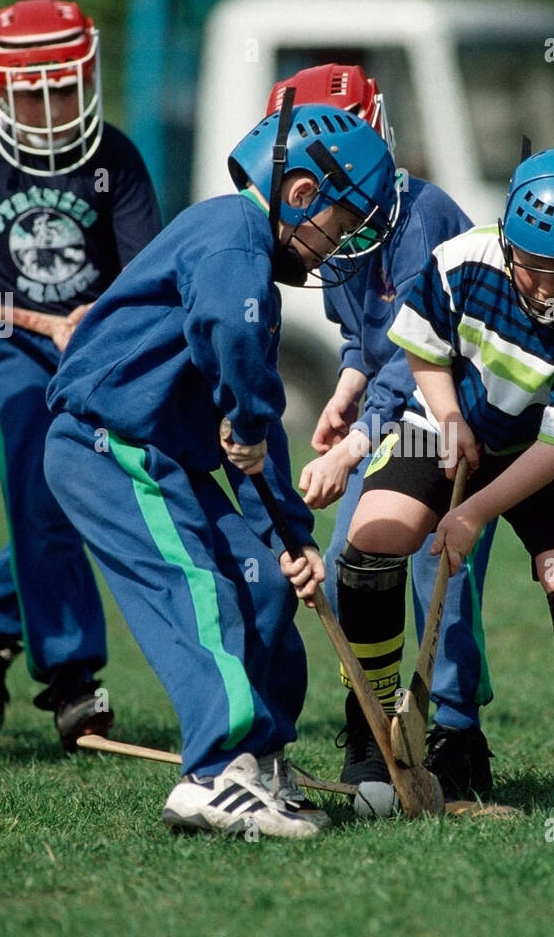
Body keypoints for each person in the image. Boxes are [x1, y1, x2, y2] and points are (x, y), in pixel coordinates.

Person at [43, 99, 400, 838]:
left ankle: (258, 763)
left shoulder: (250, 273)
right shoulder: (233, 245)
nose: (336, 249)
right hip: (108, 449)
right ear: (300, 193)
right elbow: (234, 356)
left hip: (160, 460)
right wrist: (243, 414)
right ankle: (211, 775)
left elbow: (252, 437)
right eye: (338, 228)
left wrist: (291, 538)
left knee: (263, 584)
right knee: (204, 588)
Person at [287, 147, 554, 810]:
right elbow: (423, 347)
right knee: (375, 536)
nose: (545, 290)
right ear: (509, 243)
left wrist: (474, 511)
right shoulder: (464, 262)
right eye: (534, 269)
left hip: (540, 448)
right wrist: (450, 419)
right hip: (438, 421)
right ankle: (372, 734)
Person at [266, 64, 495, 799]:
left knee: (438, 562)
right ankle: (372, 731)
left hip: (455, 412)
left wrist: (356, 442)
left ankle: (456, 736)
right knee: (346, 557)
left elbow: (420, 348)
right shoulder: (337, 233)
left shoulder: (417, 215)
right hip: (389, 410)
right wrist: (346, 389)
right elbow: (364, 340)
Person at [0, 0, 162, 748]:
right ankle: (73, 682)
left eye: (63, 87)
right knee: (42, 491)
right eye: (29, 91)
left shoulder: (116, 158)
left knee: (71, 499)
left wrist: (95, 321)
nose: (47, 107)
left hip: (94, 347)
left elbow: (142, 271)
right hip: (7, 343)